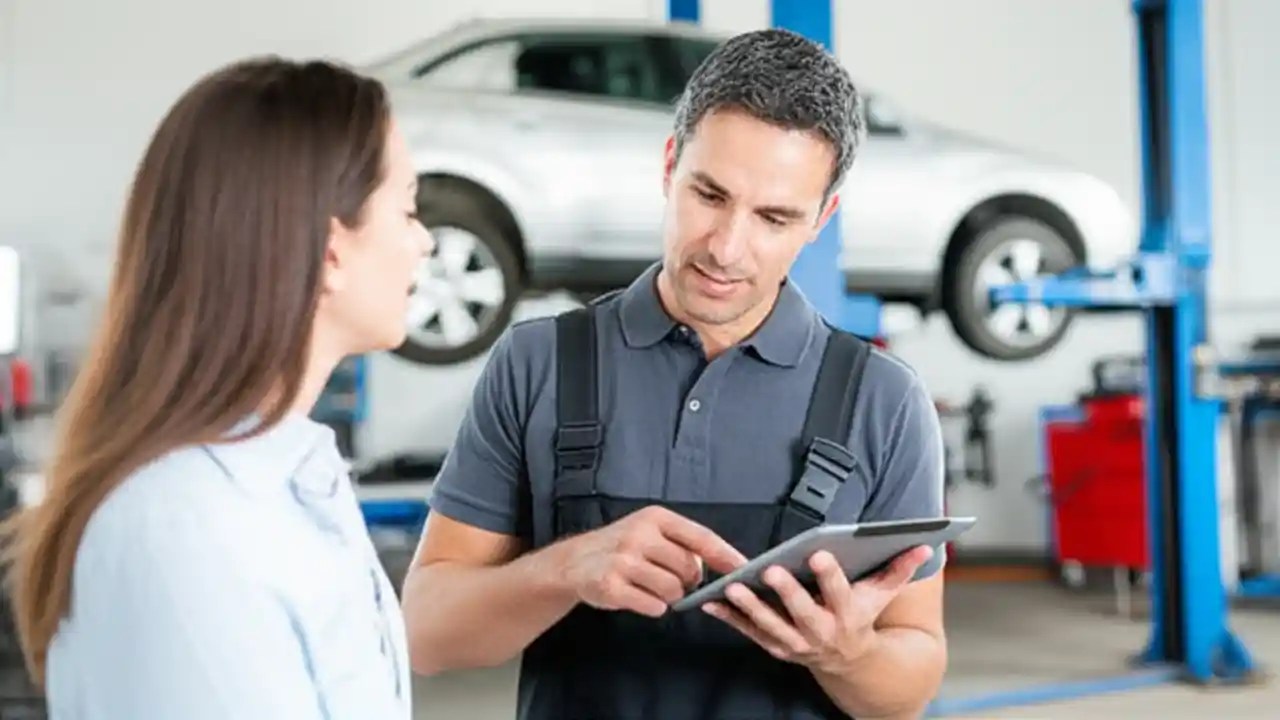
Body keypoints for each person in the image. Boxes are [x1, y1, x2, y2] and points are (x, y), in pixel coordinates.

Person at [401, 27, 949, 720]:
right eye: (709, 196)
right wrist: (566, 568)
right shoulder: (538, 364)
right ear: (669, 166)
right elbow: (426, 634)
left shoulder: (883, 400)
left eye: (774, 217)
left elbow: (912, 678)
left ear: (821, 219)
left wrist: (848, 655)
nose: (726, 248)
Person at [0, 56, 431, 719]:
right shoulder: (179, 532)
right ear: (329, 252)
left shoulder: (282, 479)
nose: (424, 242)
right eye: (407, 210)